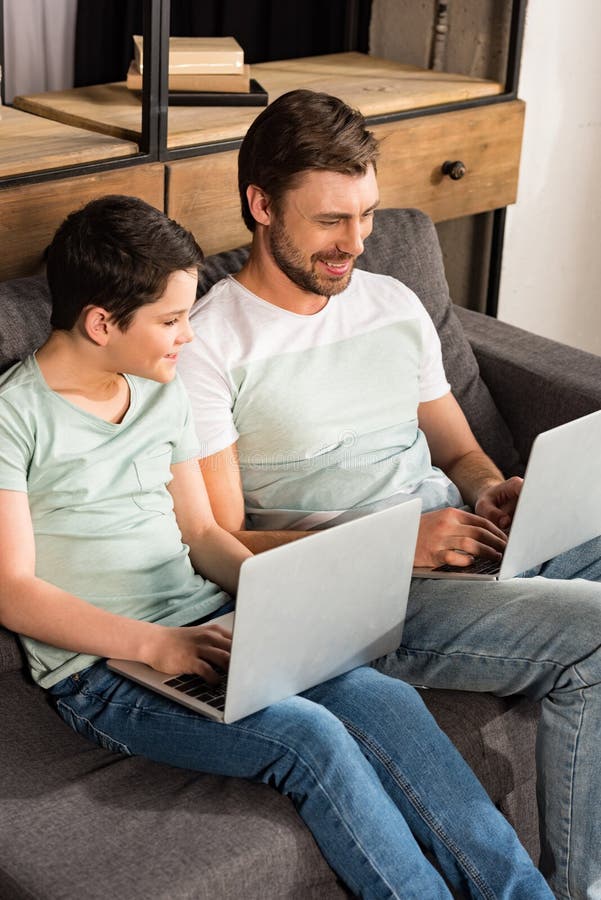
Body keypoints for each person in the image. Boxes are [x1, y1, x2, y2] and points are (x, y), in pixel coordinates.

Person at [0, 195, 552, 899]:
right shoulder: (16, 419)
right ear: (101, 322)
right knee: (309, 741)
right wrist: (156, 647)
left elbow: (203, 535)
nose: (187, 337)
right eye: (170, 321)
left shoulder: (157, 392)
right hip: (104, 671)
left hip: (215, 626)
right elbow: (13, 591)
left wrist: (287, 598)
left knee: (384, 701)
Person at [177, 89, 601, 900]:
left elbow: (457, 447)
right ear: (260, 205)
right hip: (372, 593)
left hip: (465, 544)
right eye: (330, 221)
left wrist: (492, 491)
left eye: (366, 214)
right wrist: (399, 543)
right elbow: (223, 539)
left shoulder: (390, 302)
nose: (356, 242)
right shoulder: (208, 342)